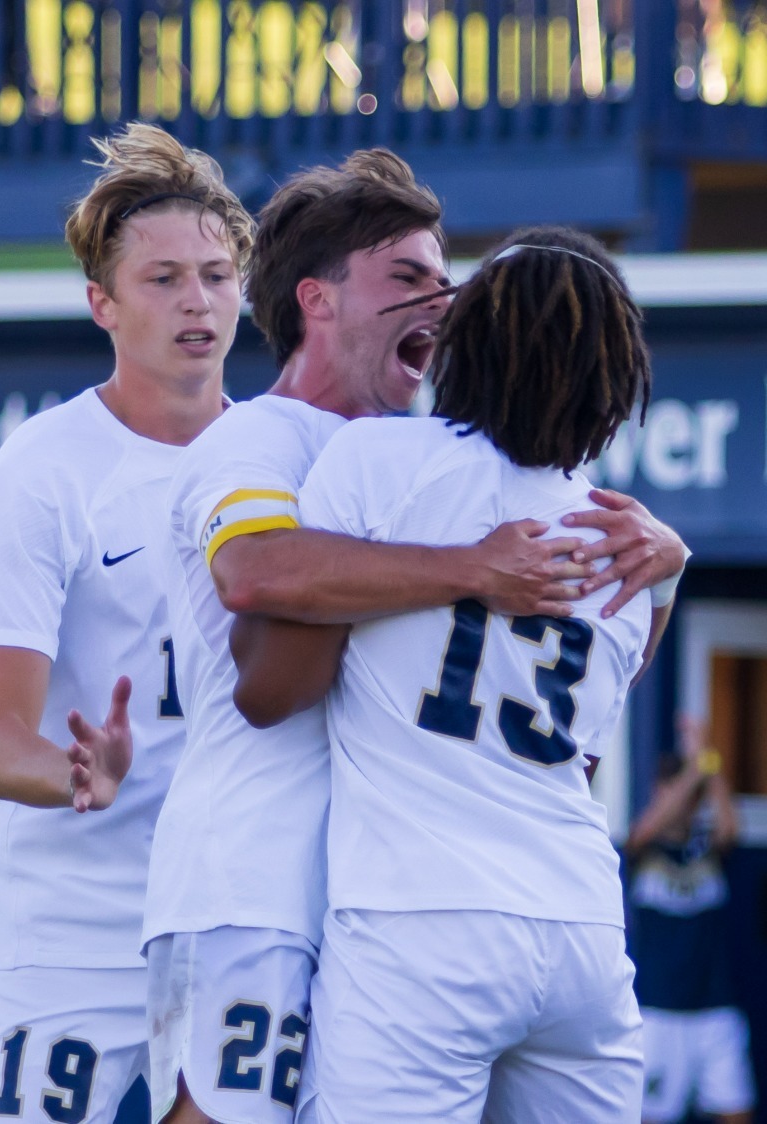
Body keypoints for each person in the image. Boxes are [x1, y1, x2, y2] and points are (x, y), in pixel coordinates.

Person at [116, 152, 687, 1124]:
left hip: (388, 896)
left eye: (449, 281)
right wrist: (485, 570)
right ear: (318, 299)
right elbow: (256, 582)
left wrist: (664, 559)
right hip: (257, 876)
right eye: (409, 277)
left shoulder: (397, 463)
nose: (442, 300)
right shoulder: (263, 439)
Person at [0, 123, 254, 1124]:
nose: (196, 301)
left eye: (216, 275)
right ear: (103, 303)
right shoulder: (43, 468)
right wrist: (80, 774)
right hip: (73, 929)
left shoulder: (284, 459)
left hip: (237, 923)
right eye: (162, 278)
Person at [625, 715, 754, 1124]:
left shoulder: (709, 848)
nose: (680, 800)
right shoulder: (641, 846)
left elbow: (731, 828)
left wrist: (708, 763)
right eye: (670, 789)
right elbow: (644, 830)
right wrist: (694, 768)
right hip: (658, 1008)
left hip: (715, 1005)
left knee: (736, 1110)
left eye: (687, 793)